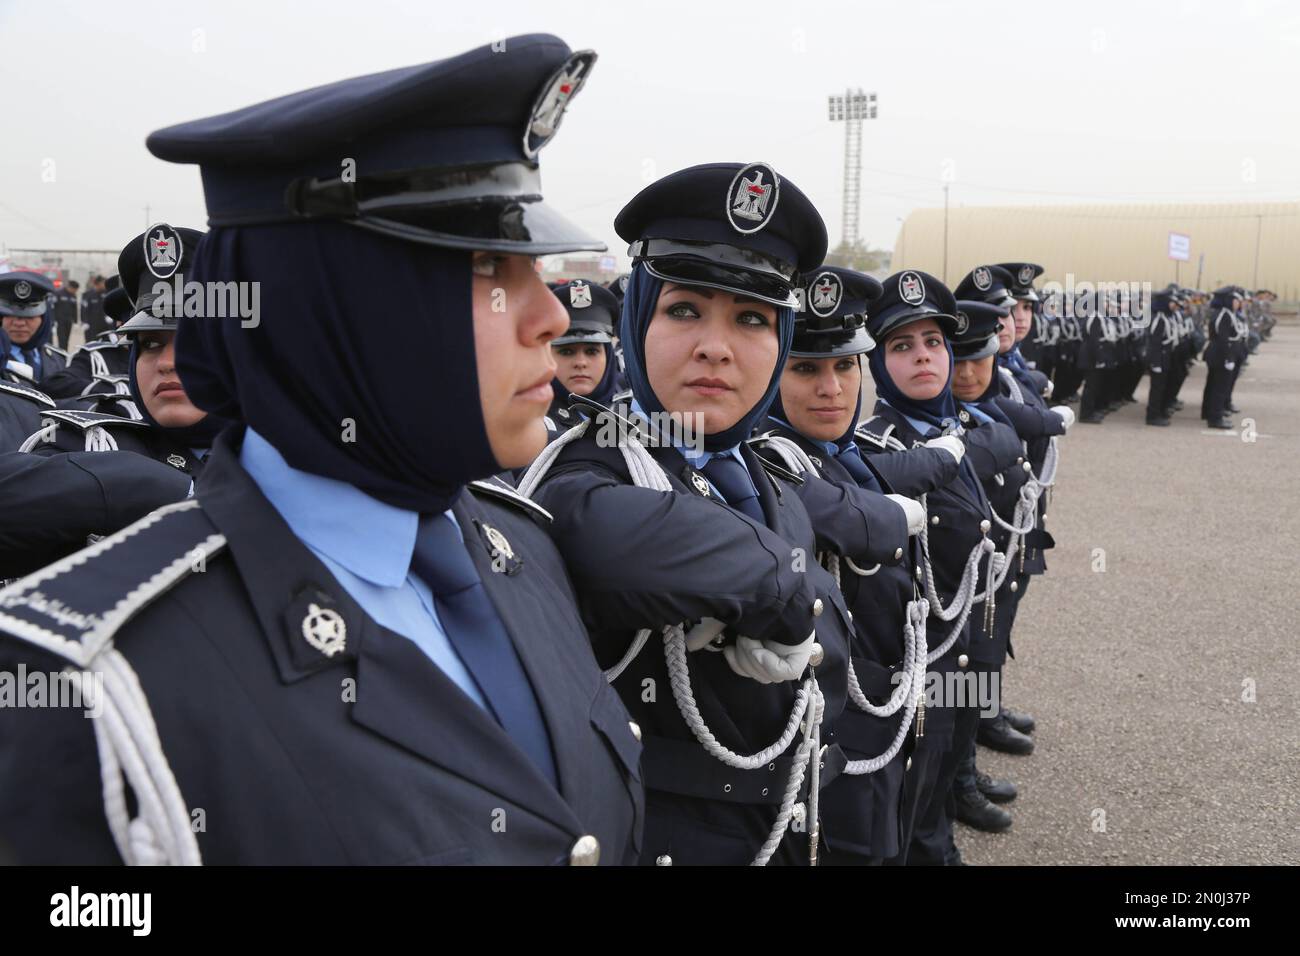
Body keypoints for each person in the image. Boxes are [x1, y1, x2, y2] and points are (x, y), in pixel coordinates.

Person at [0, 33, 641, 866]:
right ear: (343, 313)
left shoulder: (520, 550)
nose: (551, 317)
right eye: (489, 269)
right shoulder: (91, 678)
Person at [524, 161, 854, 866]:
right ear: (637, 320)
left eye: (752, 319)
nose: (716, 345)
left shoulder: (766, 474)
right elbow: (593, 528)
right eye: (683, 310)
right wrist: (787, 587)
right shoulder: (590, 469)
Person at [754, 264, 926, 864]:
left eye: (844, 365)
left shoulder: (850, 453)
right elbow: (855, 525)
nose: (831, 387)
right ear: (772, 373)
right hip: (832, 729)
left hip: (886, 705)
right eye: (805, 368)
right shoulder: (765, 466)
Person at [854, 269, 993, 865]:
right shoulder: (871, 445)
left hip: (966, 638)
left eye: (933, 342)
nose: (923, 358)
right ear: (879, 362)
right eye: (902, 346)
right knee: (913, 779)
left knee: (950, 758)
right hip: (917, 656)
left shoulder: (956, 425)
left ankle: (945, 845)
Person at [21, 226, 224, 479]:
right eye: (150, 344)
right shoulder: (93, 451)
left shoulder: (283, 450)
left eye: (194, 342)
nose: (167, 363)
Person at [545, 279, 622, 430]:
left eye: (592, 351)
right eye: (566, 351)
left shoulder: (634, 410)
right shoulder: (533, 422)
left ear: (608, 356)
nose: (581, 362)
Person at [42, 281, 134, 400]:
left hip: (74, 321)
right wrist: (108, 391)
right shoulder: (98, 357)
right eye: (119, 319)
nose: (118, 324)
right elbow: (54, 385)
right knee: (63, 340)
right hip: (79, 322)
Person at [0, 271, 68, 387]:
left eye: (29, 316)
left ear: (44, 318)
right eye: (9, 315)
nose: (19, 323)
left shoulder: (60, 359)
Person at [1200, 286, 1246, 430]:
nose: (1238, 303)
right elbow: (1222, 339)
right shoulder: (1224, 315)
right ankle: (1215, 418)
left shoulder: (1225, 313)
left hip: (1220, 353)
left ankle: (1209, 412)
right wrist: (1228, 358)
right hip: (1220, 355)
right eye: (1236, 300)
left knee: (1214, 385)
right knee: (1219, 387)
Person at [52, 279, 79, 351]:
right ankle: (61, 354)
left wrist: (76, 322)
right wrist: (53, 320)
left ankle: (65, 354)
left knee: (67, 339)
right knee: (62, 339)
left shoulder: (73, 296)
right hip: (60, 321)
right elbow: (53, 308)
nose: (75, 291)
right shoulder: (58, 293)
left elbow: (75, 309)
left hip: (69, 321)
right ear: (70, 287)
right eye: (74, 290)